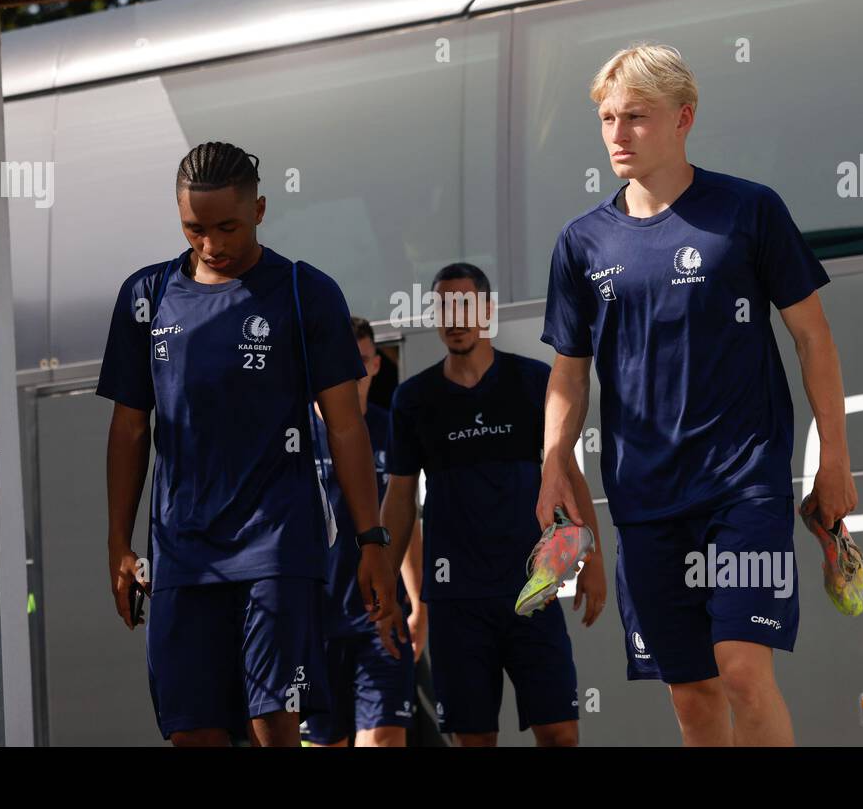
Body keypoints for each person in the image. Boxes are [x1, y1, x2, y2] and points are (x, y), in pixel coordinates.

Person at [538, 43, 857, 747]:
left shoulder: (749, 210)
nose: (617, 135)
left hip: (743, 486)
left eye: (637, 118)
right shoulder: (581, 243)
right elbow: (568, 370)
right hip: (644, 500)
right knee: (693, 697)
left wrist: (833, 455)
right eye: (608, 118)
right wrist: (554, 458)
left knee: (741, 670)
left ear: (684, 118)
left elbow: (814, 337)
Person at [98, 141, 403, 747]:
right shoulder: (146, 296)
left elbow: (345, 425)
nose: (210, 243)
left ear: (260, 210)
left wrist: (371, 540)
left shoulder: (303, 292)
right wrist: (117, 544)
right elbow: (130, 428)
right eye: (194, 229)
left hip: (278, 544)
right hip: (182, 550)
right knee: (193, 733)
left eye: (226, 226)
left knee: (273, 726)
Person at [380, 263, 605, 747]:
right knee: (474, 740)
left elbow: (568, 473)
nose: (456, 318)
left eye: (466, 306)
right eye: (444, 307)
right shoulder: (413, 400)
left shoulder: (531, 381)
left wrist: (594, 559)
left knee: (561, 733)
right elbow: (399, 498)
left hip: (533, 591)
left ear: (486, 312)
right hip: (455, 602)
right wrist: (382, 580)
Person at [302, 316, 423, 747]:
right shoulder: (294, 433)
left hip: (380, 618)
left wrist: (418, 604)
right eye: (341, 363)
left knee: (384, 741)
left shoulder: (391, 426)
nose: (352, 373)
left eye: (362, 362)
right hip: (315, 621)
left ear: (375, 365)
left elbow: (404, 518)